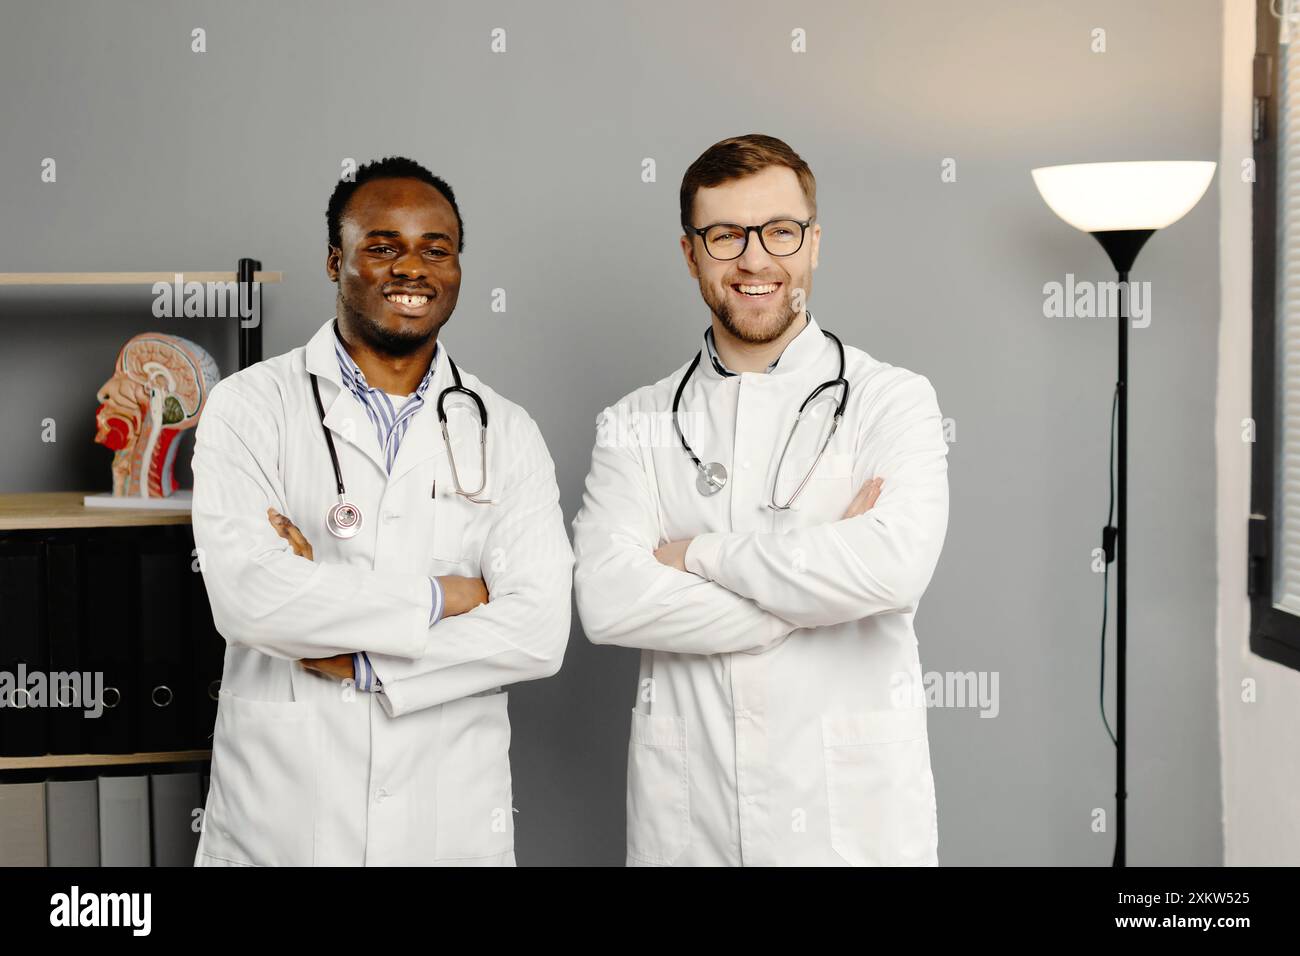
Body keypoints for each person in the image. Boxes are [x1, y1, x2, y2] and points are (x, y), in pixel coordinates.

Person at [571, 133, 950, 866]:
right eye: (724, 236)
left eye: (779, 231)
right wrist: (810, 591)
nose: (754, 259)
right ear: (691, 254)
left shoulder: (890, 400)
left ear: (813, 244)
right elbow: (607, 601)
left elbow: (893, 569)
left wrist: (695, 556)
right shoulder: (637, 420)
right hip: (693, 813)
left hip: (849, 816)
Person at [190, 156, 573, 866]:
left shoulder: (505, 429)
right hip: (285, 818)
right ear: (337, 260)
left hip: (448, 819)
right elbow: (248, 599)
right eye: (382, 245)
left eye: (437, 248)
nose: (412, 268)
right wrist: (447, 597)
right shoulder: (250, 407)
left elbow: (539, 631)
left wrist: (370, 665)